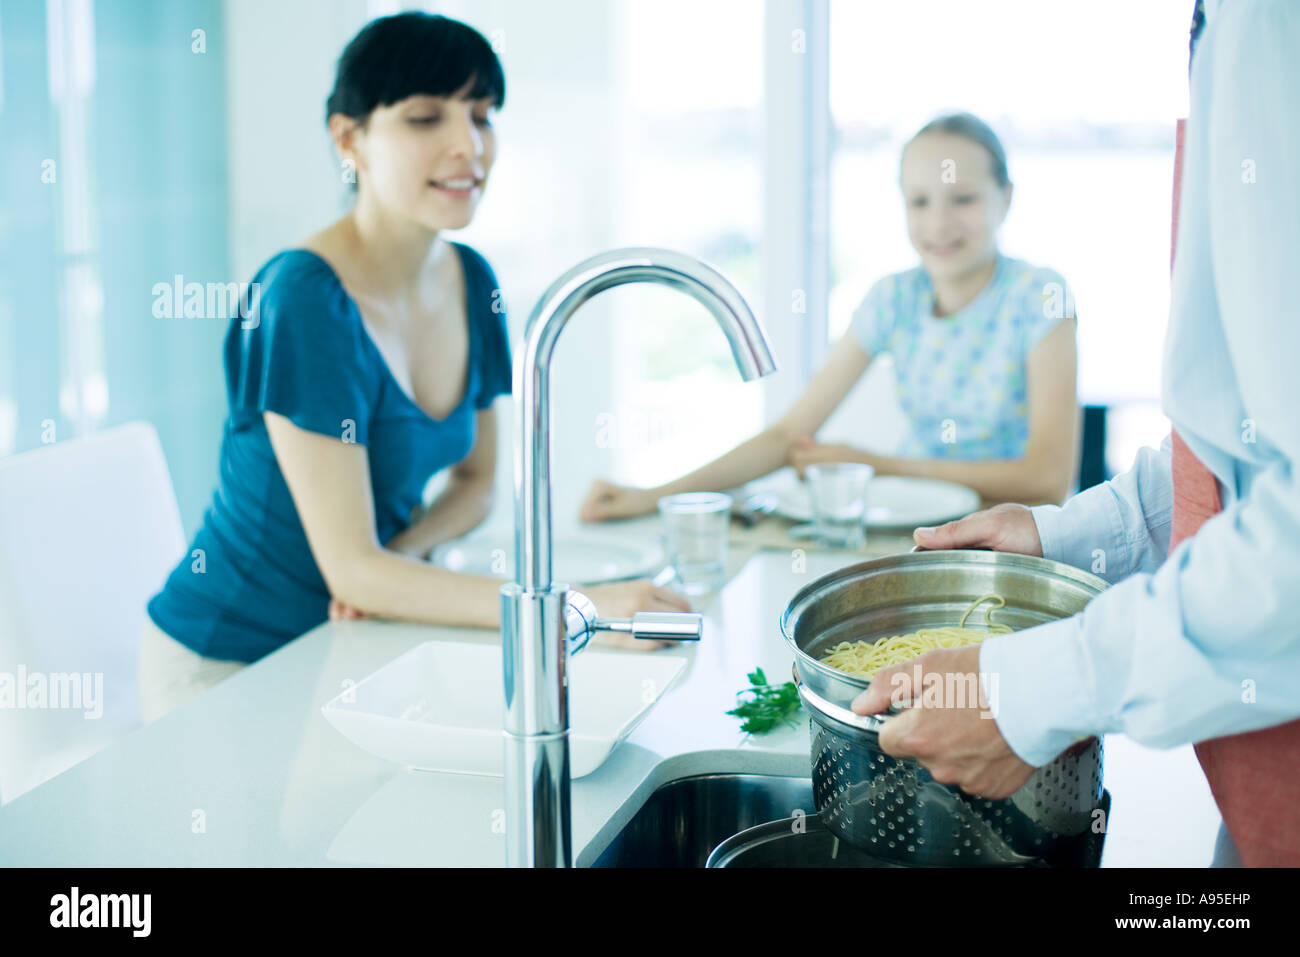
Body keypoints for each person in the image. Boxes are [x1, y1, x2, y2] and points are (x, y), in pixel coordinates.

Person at [140, 13, 686, 725]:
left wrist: (393, 562)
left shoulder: (470, 278)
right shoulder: (303, 299)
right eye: (426, 117)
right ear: (349, 139)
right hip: (229, 663)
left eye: (482, 116)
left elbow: (476, 482)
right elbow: (352, 569)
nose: (469, 145)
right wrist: (575, 608)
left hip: (352, 639)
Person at [853, 0, 1299, 867]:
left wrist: (1030, 694)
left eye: (962, 195)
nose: (939, 218)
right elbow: (1241, 452)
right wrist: (1067, 534)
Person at [580, 112, 1080, 523]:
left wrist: (878, 466)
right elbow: (785, 436)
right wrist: (652, 497)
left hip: (1020, 538)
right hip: (928, 532)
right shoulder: (893, 299)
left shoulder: (1039, 296)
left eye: (963, 199)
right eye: (919, 201)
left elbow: (1048, 477)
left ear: (1006, 198)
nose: (939, 223)